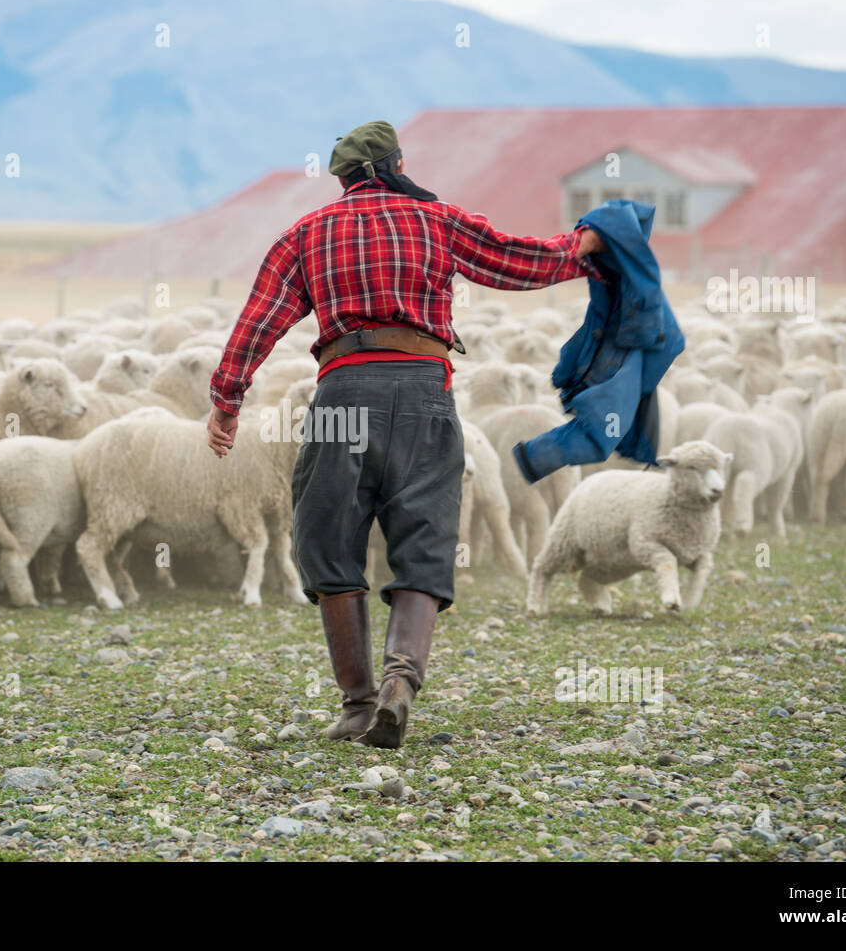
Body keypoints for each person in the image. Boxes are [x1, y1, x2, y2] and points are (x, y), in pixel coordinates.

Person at [206, 120, 603, 748]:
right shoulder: (437, 220)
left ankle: (358, 704)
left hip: (342, 393)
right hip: (424, 391)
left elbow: (257, 321)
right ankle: (400, 683)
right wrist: (584, 245)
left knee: (328, 536)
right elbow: (519, 262)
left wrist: (228, 399)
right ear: (395, 164)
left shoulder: (306, 233)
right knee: (425, 532)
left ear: (341, 179)